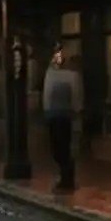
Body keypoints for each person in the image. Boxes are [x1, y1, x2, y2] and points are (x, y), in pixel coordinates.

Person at [42, 50, 83, 193]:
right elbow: (47, 95)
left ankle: (67, 178)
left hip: (64, 116)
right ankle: (65, 176)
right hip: (57, 115)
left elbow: (76, 95)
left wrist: (76, 112)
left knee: (63, 147)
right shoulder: (52, 74)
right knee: (59, 148)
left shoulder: (71, 76)